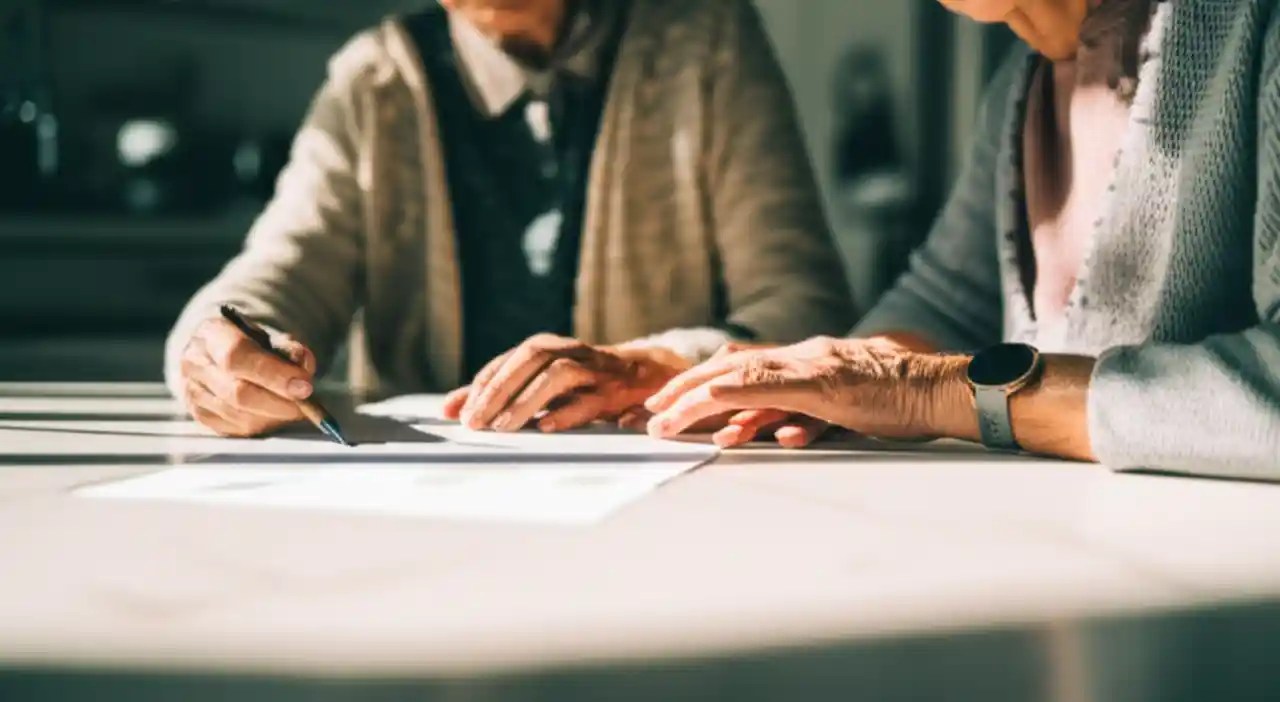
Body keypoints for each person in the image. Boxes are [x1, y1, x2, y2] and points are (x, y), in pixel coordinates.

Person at [646, 0, 1280, 481]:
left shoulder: (1257, 28)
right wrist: (701, 377)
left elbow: (924, 380)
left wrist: (938, 392)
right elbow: (945, 306)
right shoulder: (1020, 78)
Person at [166, 0, 853, 438]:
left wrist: (651, 365)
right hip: (423, 508)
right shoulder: (373, 81)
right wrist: (217, 353)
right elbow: (277, 273)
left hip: (663, 492)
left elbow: (807, 308)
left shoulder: (707, 42)